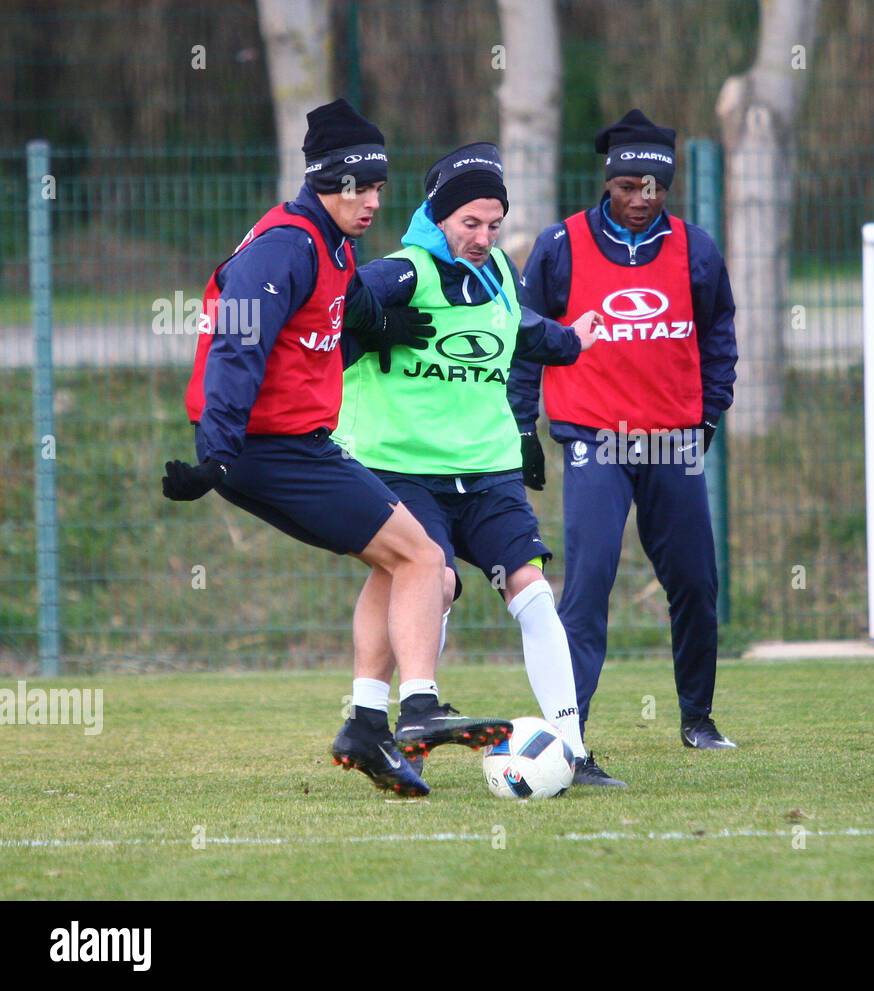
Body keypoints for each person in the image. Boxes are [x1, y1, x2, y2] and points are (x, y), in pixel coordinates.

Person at [161, 99, 510, 799]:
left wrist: (373, 322)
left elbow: (331, 323)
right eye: (364, 186)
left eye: (381, 187)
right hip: (268, 449)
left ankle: (363, 726)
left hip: (299, 443)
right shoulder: (285, 245)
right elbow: (239, 343)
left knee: (402, 564)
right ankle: (417, 708)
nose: (376, 200)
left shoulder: (333, 246)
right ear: (328, 181)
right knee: (423, 558)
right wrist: (217, 450)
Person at [332, 142, 604, 779]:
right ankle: (405, 719)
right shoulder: (402, 272)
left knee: (534, 593)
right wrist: (373, 327)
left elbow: (523, 330)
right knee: (435, 579)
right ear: (439, 216)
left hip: (487, 470)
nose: (483, 237)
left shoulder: (499, 274)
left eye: (493, 224)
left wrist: (572, 339)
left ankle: (573, 748)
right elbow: (334, 307)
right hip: (400, 468)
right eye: (469, 224)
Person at [515, 109, 739, 786]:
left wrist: (709, 412)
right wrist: (521, 425)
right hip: (594, 440)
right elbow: (525, 337)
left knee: (697, 582)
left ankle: (697, 718)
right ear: (607, 182)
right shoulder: (561, 245)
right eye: (630, 185)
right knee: (587, 586)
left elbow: (719, 331)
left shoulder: (696, 249)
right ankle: (569, 735)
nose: (643, 198)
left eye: (656, 186)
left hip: (672, 442)